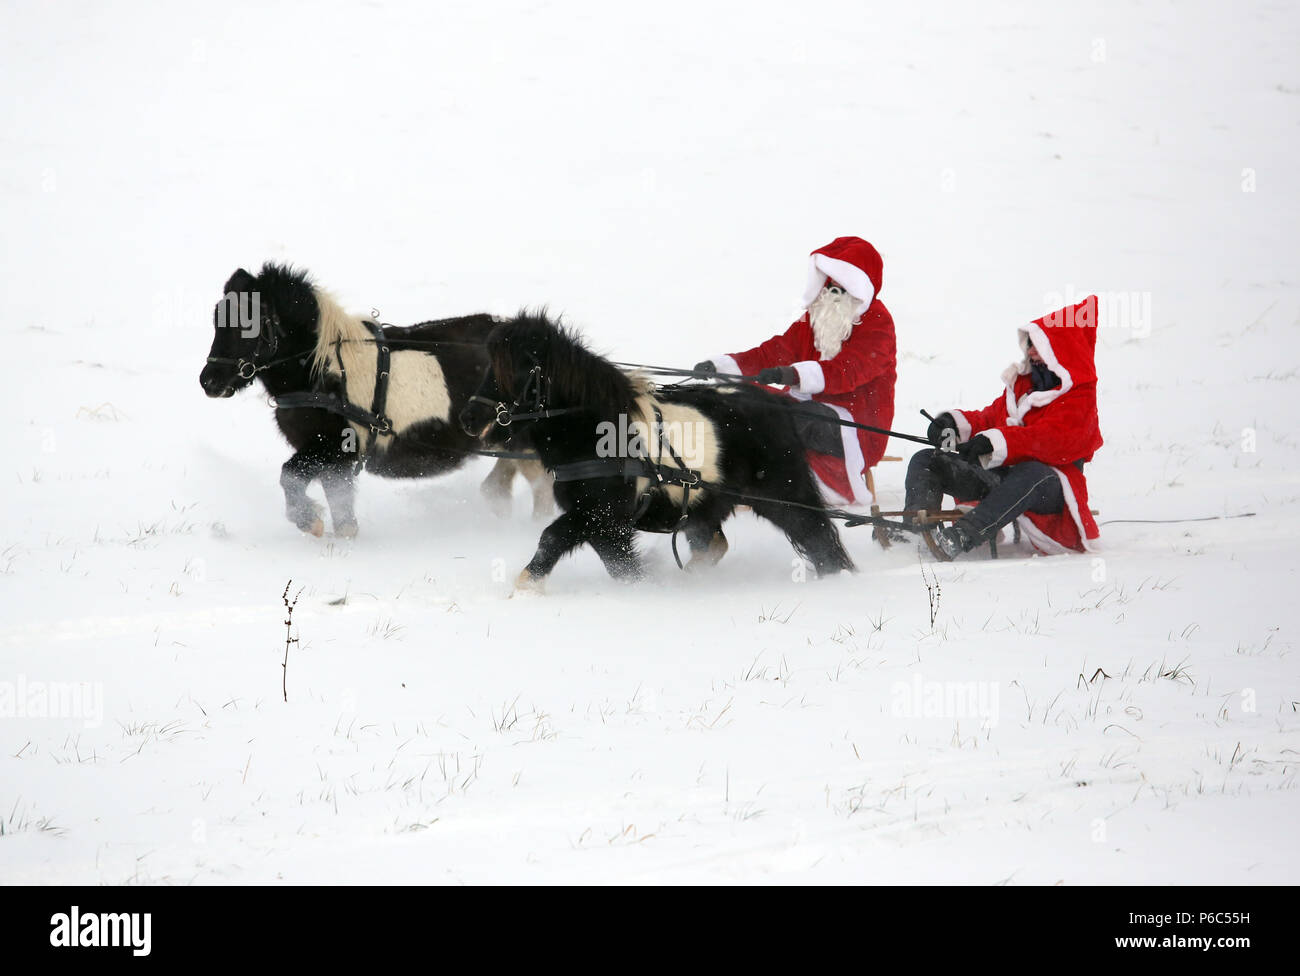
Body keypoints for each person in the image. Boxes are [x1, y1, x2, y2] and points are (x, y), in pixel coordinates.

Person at [694, 236, 896, 506]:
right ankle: (747, 471)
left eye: (842, 286)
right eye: (830, 284)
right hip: (804, 407)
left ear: (859, 289)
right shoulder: (815, 316)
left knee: (784, 415)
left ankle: (800, 480)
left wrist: (794, 375)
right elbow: (774, 351)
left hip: (853, 424)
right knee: (743, 398)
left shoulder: (878, 323)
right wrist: (725, 366)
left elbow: (848, 371)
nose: (833, 292)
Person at [907, 295, 1103, 559]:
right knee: (928, 459)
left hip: (1051, 488)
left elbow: (1053, 440)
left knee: (1032, 472)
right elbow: (990, 418)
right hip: (1004, 477)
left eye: (1041, 346)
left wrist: (996, 442)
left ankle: (965, 535)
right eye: (1030, 345)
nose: (1031, 352)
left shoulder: (1080, 397)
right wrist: (953, 424)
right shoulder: (1022, 386)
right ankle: (916, 525)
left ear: (1061, 352)